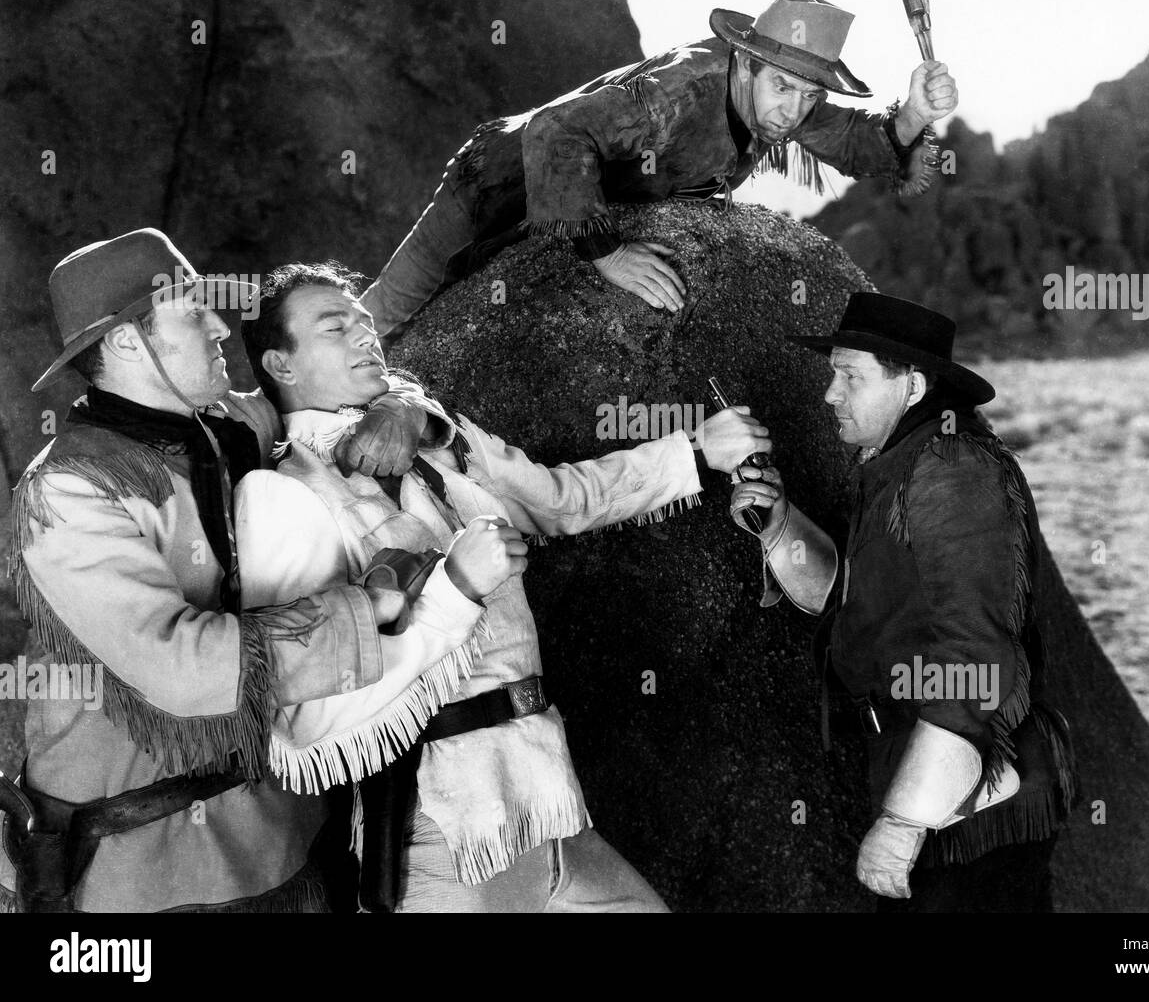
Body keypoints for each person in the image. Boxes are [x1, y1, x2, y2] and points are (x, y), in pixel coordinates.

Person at [234, 260, 772, 912]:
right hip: (443, 830)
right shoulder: (281, 495)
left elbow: (563, 499)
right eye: (333, 327)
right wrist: (456, 587)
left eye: (363, 320)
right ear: (282, 366)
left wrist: (693, 451)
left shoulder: (436, 441)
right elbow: (303, 712)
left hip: (543, 796)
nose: (364, 335)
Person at [0, 228, 440, 912]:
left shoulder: (229, 425)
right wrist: (365, 610)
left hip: (286, 839)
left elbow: (337, 368)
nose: (219, 325)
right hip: (143, 874)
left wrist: (401, 407)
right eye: (191, 310)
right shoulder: (68, 492)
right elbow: (182, 666)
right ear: (123, 343)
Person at [730, 292, 1079, 912]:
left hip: (976, 791)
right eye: (833, 373)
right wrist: (779, 524)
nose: (830, 394)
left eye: (850, 377)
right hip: (928, 770)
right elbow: (851, 601)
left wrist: (904, 822)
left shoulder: (952, 465)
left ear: (913, 387)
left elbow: (977, 651)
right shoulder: (902, 460)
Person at [363, 0, 958, 340]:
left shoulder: (785, 99)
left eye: (809, 95)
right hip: (491, 188)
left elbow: (856, 142)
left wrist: (913, 115)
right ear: (746, 64)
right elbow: (556, 131)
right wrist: (609, 254)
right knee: (381, 324)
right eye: (784, 88)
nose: (793, 111)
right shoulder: (677, 93)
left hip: (560, 217)